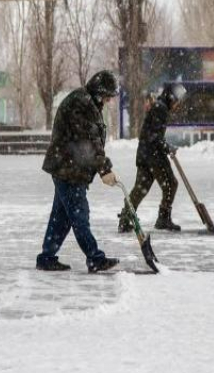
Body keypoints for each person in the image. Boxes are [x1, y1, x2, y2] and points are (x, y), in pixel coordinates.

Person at [37, 71, 121, 273]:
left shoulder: (88, 102)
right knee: (79, 215)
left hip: (68, 167)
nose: (109, 100)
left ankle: (46, 257)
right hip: (68, 169)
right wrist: (104, 169)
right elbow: (89, 141)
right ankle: (95, 258)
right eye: (108, 95)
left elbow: (92, 140)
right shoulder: (81, 104)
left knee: (62, 217)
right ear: (99, 91)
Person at [119, 82, 187, 233]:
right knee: (171, 183)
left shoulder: (159, 107)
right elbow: (154, 136)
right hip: (153, 156)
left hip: (145, 154)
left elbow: (151, 134)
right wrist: (166, 147)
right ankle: (163, 219)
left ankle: (125, 218)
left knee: (141, 188)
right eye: (176, 101)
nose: (177, 104)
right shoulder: (161, 109)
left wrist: (164, 146)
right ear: (170, 97)